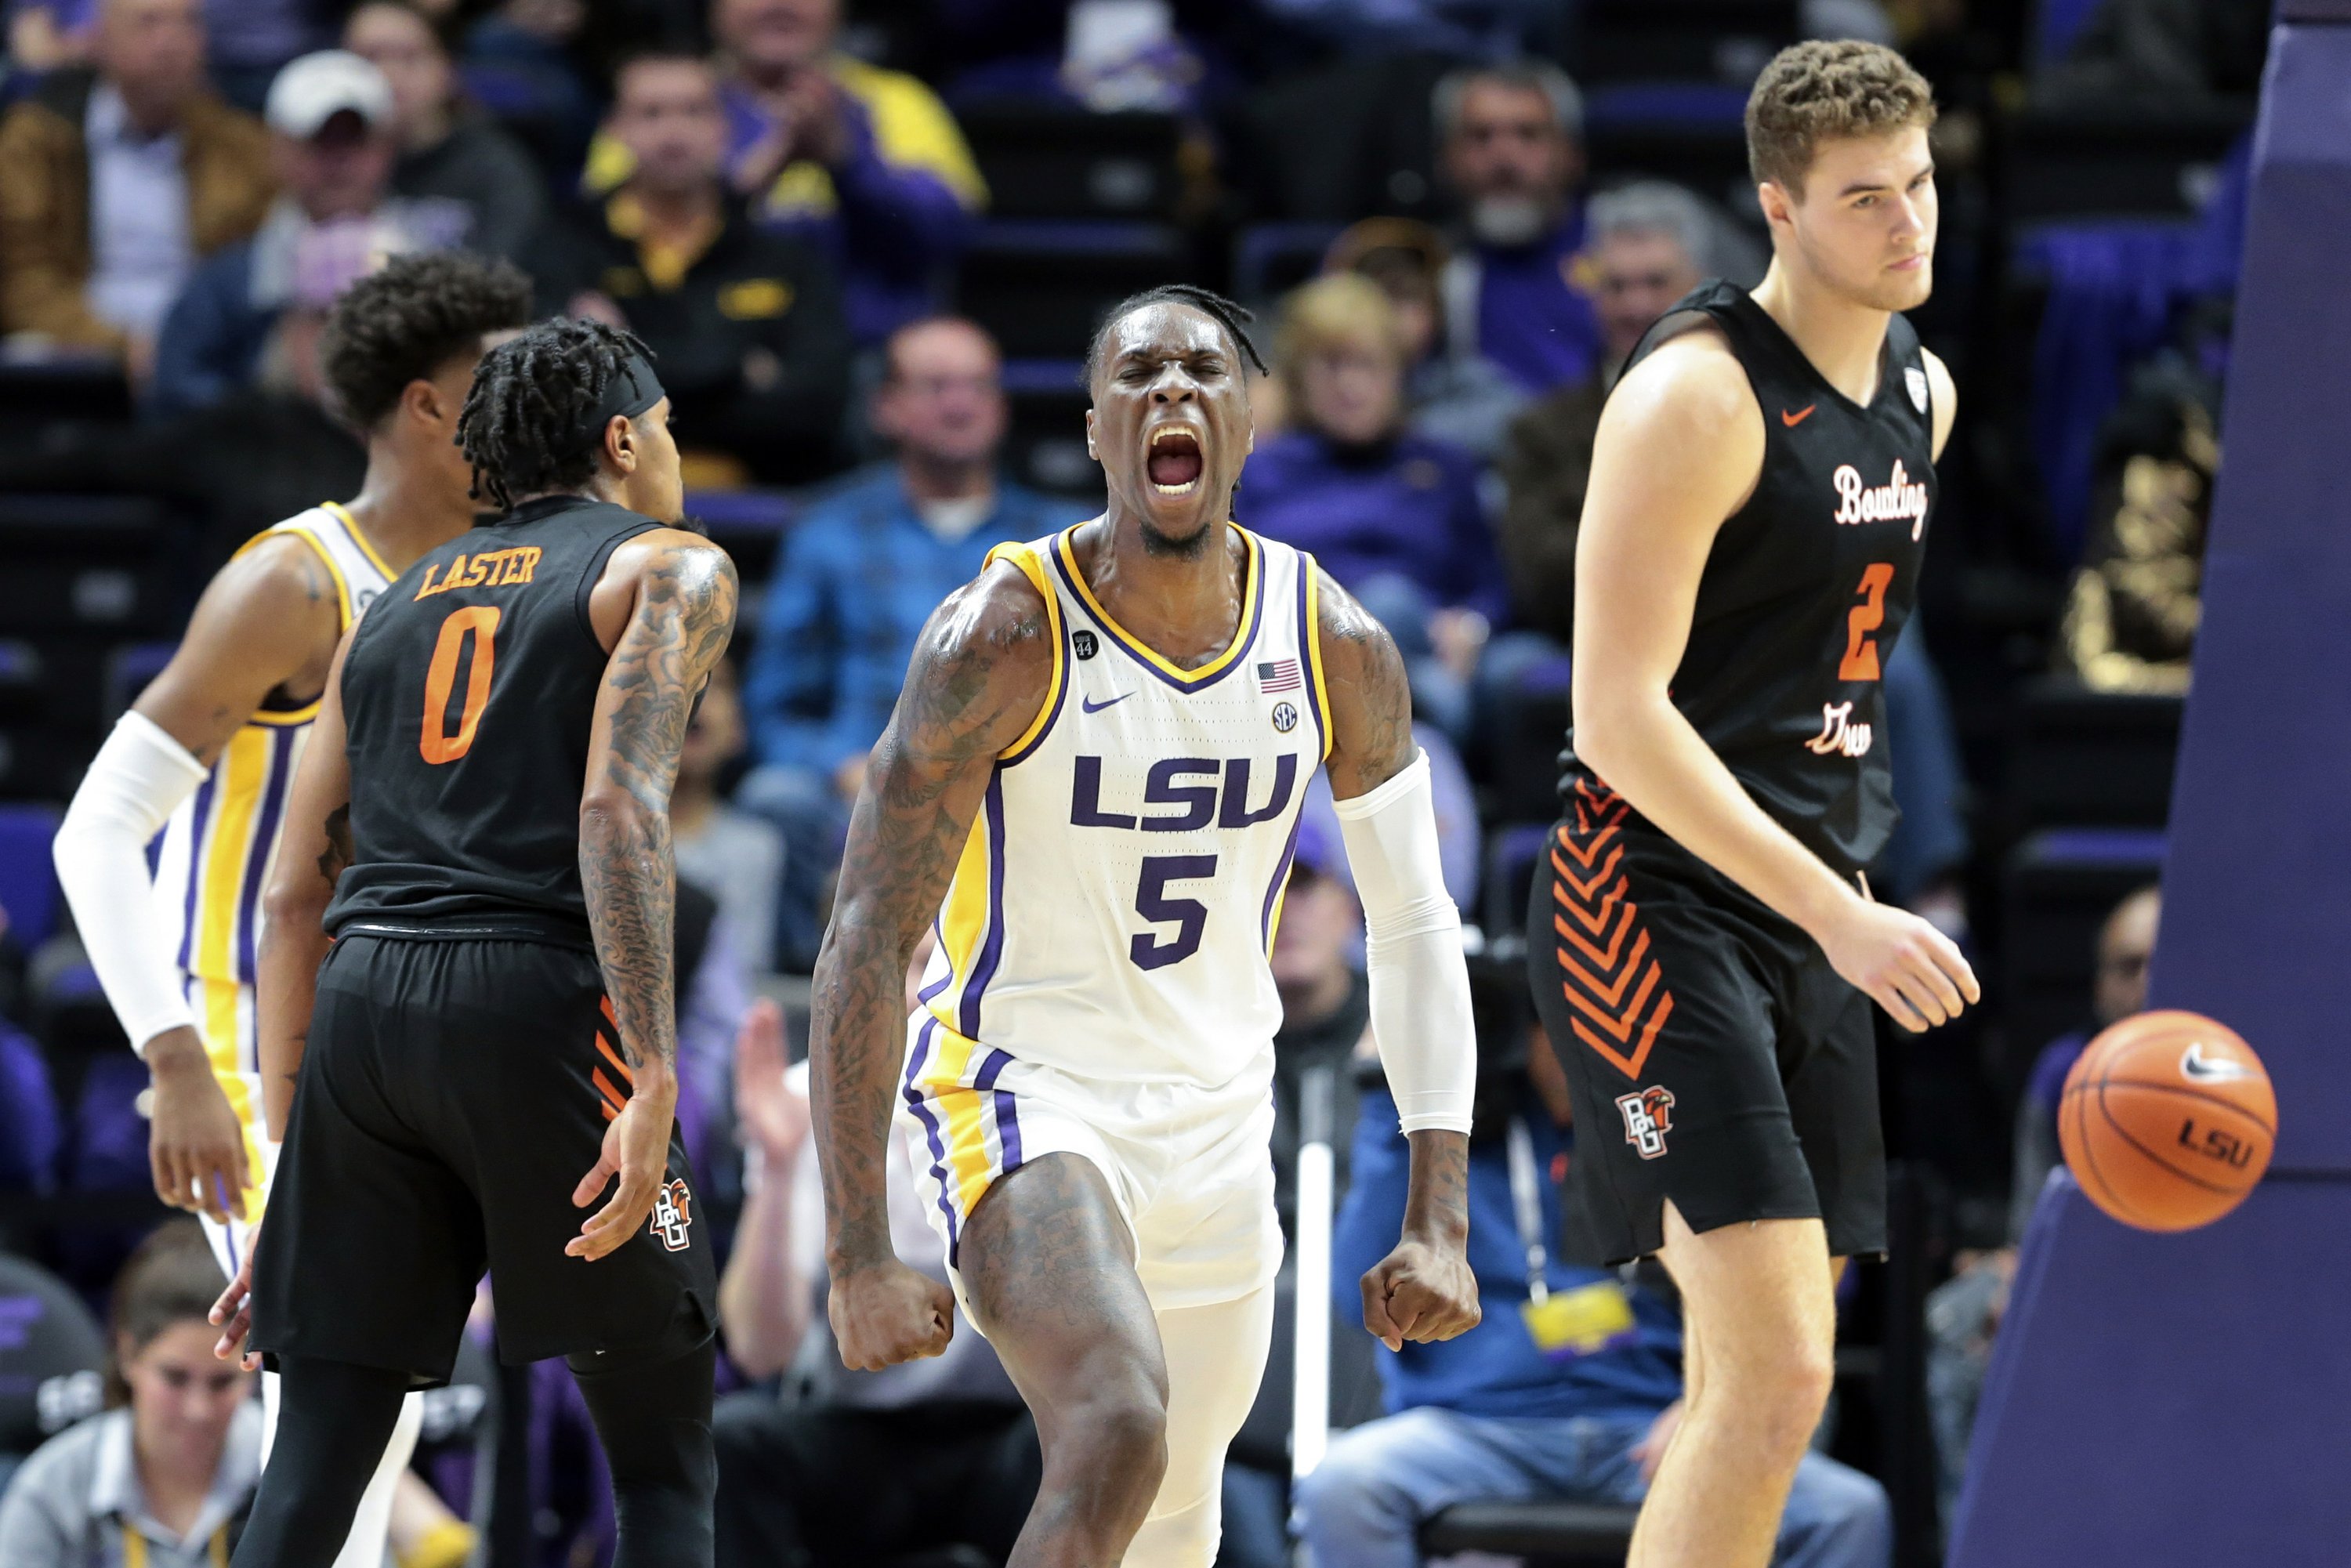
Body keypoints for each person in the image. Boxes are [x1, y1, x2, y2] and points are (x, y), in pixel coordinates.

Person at [810, 283, 1482, 1566]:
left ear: (1249, 422)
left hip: (1223, 1120)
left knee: (1174, 1526)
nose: (1171, 388)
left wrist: (1438, 1217)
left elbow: (1412, 924)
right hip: (1026, 1093)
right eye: (1137, 374)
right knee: (1116, 1422)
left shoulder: (1333, 640)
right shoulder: (1001, 633)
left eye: (1203, 371)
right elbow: (866, 934)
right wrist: (857, 1250)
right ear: (1095, 430)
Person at [1532, 42, 1980, 1567]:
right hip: (1647, 895)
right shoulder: (1696, 395)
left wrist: (1837, 895)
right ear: (1779, 209)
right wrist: (1837, 911)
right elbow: (1616, 716)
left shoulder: (1923, 388)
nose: (1909, 222)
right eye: (1865, 198)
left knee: (1756, 1380)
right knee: (1779, 1371)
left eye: (1920, 183)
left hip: (1807, 903)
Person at [206, 317, 737, 1568]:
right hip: (535, 1002)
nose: (674, 453)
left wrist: (300, 1173)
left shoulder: (384, 608)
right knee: (663, 1460)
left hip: (363, 1013)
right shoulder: (671, 566)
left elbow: (289, 898)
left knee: (316, 1462)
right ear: (624, 439)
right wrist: (653, 1074)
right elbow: (618, 813)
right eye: (667, 430)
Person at [49, 249, 531, 1568]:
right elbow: (97, 830)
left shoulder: (509, 570)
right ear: (428, 405)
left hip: (403, 1036)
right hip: (249, 1031)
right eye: (501, 381)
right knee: (342, 1383)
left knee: (376, 1400)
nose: (533, 405)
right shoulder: (296, 582)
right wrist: (174, 1062)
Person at [1297, 1036, 1894, 1568]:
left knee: (1846, 1511)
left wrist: (1714, 1405)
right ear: (1521, 1033)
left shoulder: (1676, 1134)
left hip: (1651, 1428)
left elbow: (1792, 1296)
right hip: (1479, 1426)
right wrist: (1390, 1093)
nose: (1579, 1042)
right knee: (1343, 1486)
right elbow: (1361, 1296)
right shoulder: (1454, 1142)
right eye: (1555, 1020)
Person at [737, 314, 1086, 969]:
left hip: (1015, 785)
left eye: (978, 385)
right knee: (775, 798)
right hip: (856, 789)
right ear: (887, 406)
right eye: (936, 386)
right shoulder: (828, 531)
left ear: (1001, 406)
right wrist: (844, 767)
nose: (960, 404)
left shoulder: (1061, 542)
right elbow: (774, 706)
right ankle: (811, 989)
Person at [713, 979, 1040, 1568]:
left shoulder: (1037, 1104)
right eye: (911, 962)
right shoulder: (808, 1100)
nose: (928, 989)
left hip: (1006, 1431)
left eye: (946, 959)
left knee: (1110, 1438)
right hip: (857, 1432)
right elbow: (759, 1351)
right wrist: (779, 1168)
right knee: (733, 1443)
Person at [532, 49, 851, 488]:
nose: (674, 132)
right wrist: (735, 369)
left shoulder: (782, 257)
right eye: (651, 113)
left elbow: (813, 411)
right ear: (615, 128)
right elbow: (555, 408)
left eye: (694, 111)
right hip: (603, 497)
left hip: (756, 495)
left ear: (724, 127)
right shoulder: (563, 246)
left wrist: (625, 362)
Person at [581, 0, 985, 347]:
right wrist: (761, 174)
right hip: (698, 348)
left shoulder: (895, 101)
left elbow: (948, 235)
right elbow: (599, 236)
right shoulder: (662, 98)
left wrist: (848, 163)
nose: (780, 5)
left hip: (869, 355)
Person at [1243, 271, 1506, 739]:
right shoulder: (1262, 472)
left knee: (1488, 670)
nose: (1351, 385)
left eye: (1368, 365)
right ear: (1299, 379)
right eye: (1331, 366)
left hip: (1432, 654)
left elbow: (1489, 583)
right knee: (1386, 604)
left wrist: (1471, 626)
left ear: (1399, 373)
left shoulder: (1443, 467)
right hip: (1303, 660)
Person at [148, 48, 466, 416]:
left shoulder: (441, 274)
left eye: (355, 138)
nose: (339, 158)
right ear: (278, 150)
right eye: (319, 139)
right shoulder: (228, 282)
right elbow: (175, 387)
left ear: (386, 147)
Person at [0, 0, 273, 382]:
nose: (170, 42)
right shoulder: (38, 141)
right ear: (100, 41)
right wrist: (120, 347)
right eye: (149, 23)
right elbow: (24, 279)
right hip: (79, 353)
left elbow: (256, 267)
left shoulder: (242, 146)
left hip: (205, 353)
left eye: (188, 23)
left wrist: (182, 346)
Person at [0, 1221, 258, 1568]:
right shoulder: (52, 1490)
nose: (198, 1410)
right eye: (175, 1378)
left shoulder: (287, 1469)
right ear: (127, 1355)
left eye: (222, 1382)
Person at [1433, 61, 1599, 395]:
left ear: (1573, 155)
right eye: (1481, 136)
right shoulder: (1426, 268)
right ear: (1446, 159)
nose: (1504, 156)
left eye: (1528, 134)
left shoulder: (1631, 249)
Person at [344, 0, 548, 262]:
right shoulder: (324, 159)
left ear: (448, 68)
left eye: (409, 57)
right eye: (369, 57)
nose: (389, 73)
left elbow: (507, 269)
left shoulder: (496, 167)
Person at [672, 654, 785, 979]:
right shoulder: (605, 840)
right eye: (680, 680)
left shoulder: (758, 847)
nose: (697, 697)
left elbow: (747, 974)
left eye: (716, 684)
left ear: (739, 729)